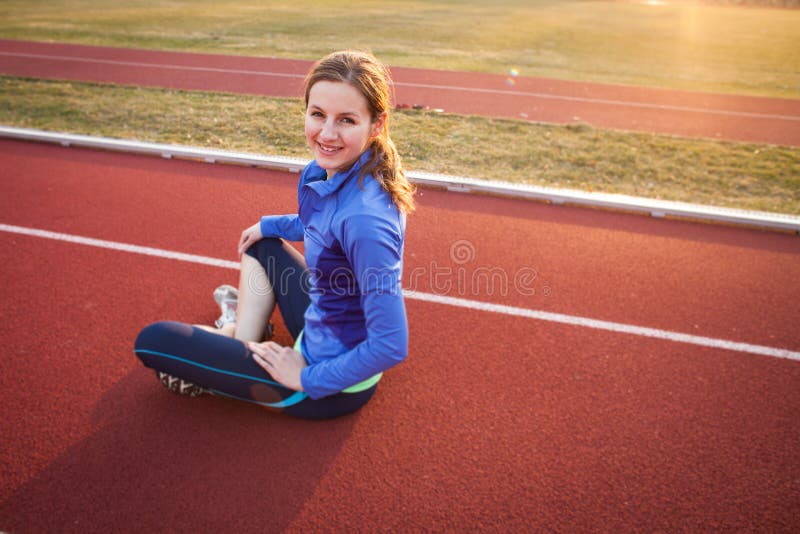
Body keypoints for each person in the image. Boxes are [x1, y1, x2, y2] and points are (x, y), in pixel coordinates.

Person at [134, 50, 415, 419]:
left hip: (328, 386)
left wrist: (306, 377)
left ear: (376, 124)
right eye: (318, 115)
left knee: (152, 342)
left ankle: (238, 333)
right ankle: (247, 338)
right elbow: (319, 224)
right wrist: (269, 225)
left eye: (346, 120)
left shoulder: (366, 221)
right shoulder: (329, 170)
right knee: (262, 245)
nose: (326, 134)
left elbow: (392, 343)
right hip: (324, 317)